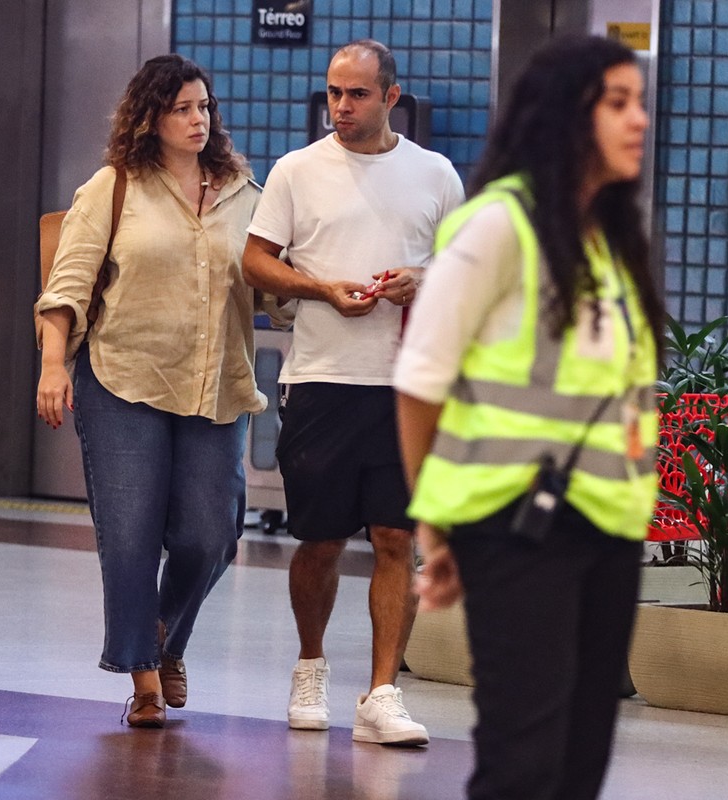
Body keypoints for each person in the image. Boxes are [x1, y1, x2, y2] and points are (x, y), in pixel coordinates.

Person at [394, 35, 664, 799]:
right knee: (524, 763)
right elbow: (419, 381)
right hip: (515, 524)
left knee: (582, 764)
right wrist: (435, 531)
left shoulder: (609, 240)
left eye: (638, 102)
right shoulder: (496, 227)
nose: (638, 120)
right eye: (617, 104)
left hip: (607, 524)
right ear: (562, 117)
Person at [36, 54, 273, 729]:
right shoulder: (113, 188)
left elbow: (269, 283)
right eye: (183, 110)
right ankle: (144, 680)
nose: (199, 120)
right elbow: (67, 286)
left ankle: (165, 635)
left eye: (204, 108)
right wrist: (55, 365)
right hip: (123, 380)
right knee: (131, 535)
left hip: (216, 384)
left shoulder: (242, 193)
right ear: (151, 117)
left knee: (210, 534)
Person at [242, 39, 464, 746]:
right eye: (335, 92)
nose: (341, 106)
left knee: (397, 537)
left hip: (405, 389)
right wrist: (320, 289)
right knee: (320, 539)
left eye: (358, 94)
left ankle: (382, 692)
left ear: (390, 97)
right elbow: (255, 260)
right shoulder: (297, 171)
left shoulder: (435, 174)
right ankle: (310, 667)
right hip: (320, 381)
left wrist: (422, 281)